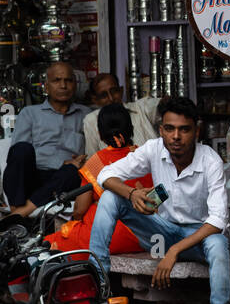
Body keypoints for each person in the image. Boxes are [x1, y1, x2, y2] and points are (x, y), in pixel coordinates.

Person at [88, 96, 230, 304]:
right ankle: (98, 282)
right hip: (162, 231)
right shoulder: (153, 149)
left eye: (184, 129)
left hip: (198, 238)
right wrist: (131, 194)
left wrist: (173, 251)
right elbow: (104, 175)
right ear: (161, 130)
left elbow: (217, 221)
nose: (176, 136)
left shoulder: (211, 161)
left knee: (218, 245)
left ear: (197, 130)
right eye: (169, 129)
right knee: (110, 197)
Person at [45, 102, 153, 255]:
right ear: (131, 129)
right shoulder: (146, 156)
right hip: (146, 235)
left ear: (100, 134)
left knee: (52, 242)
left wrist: (75, 219)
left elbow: (80, 210)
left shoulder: (96, 162)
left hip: (112, 236)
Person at [3, 62, 88, 216]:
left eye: (68, 80)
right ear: (46, 87)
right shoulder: (30, 113)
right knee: (21, 149)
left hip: (66, 180)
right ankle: (17, 208)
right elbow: (17, 156)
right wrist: (60, 162)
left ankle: (19, 215)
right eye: (57, 80)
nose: (63, 85)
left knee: (74, 171)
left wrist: (79, 162)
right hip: (34, 177)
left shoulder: (86, 115)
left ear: (75, 85)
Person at [81, 73, 159, 157]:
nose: (111, 98)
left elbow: (164, 105)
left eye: (114, 91)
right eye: (104, 95)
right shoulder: (91, 121)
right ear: (95, 100)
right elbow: (92, 158)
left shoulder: (141, 108)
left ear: (121, 91)